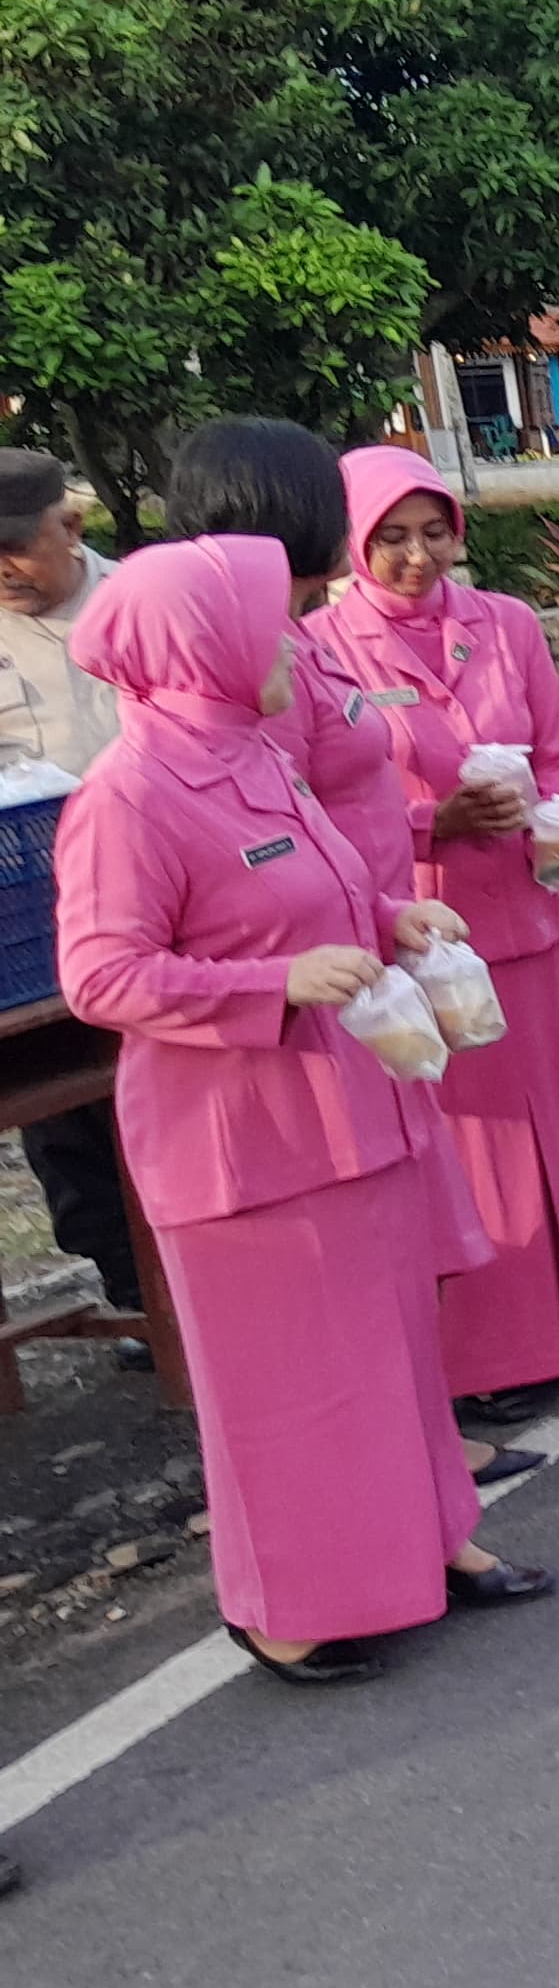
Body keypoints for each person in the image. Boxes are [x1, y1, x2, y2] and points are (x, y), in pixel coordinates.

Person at [57, 536, 554, 1687]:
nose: (292, 641)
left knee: (388, 1347)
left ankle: (432, 1542)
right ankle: (285, 1606)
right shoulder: (127, 796)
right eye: (263, 625)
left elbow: (306, 888)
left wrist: (388, 919)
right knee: (281, 1387)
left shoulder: (254, 755)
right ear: (202, 650)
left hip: (349, 1098)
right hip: (242, 1136)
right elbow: (102, 977)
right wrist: (271, 985)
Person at [311, 448, 559, 1402]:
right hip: (424, 930)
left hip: (529, 907)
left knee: (550, 1129)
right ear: (353, 543)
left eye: (434, 532)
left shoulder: (507, 624)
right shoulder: (323, 647)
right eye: (390, 538)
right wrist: (431, 822)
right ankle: (482, 1362)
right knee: (466, 1145)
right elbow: (319, 802)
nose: (416, 556)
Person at [1, 450, 148, 1355]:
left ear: (71, 529)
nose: (6, 572)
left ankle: (194, 1273)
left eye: (16, 549)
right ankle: (130, 1287)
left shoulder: (139, 601)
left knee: (158, 1088)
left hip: (153, 884)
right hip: (32, 906)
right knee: (61, 1112)